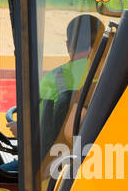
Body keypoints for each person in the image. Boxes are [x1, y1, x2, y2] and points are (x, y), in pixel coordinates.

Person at [39, 13, 103, 145]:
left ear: (68, 45)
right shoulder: (113, 74)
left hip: (60, 159)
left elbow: (39, 127)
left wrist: (19, 128)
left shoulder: (53, 78)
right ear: (102, 44)